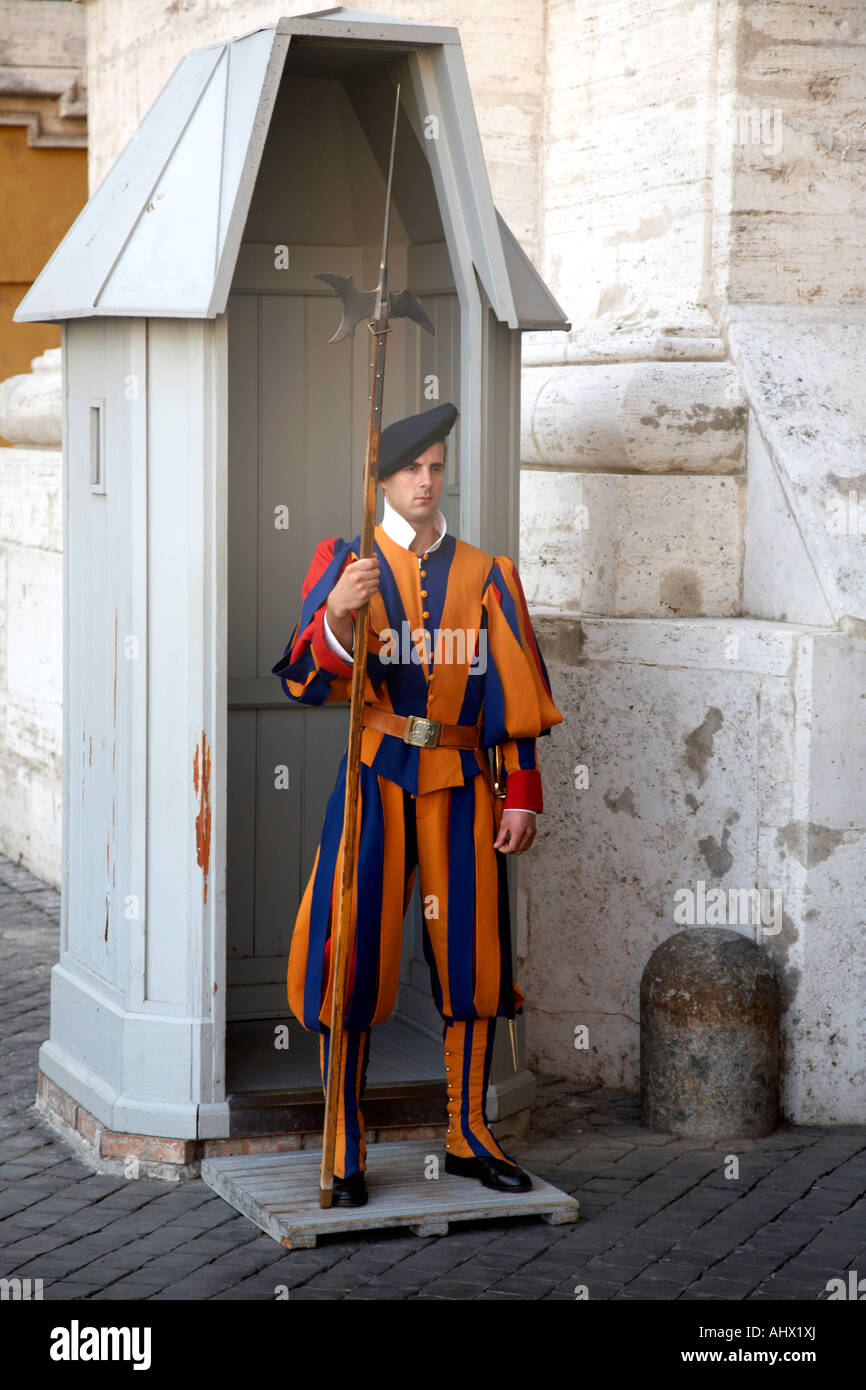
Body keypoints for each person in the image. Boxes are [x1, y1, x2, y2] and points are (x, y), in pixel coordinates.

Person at [272, 402, 563, 1206]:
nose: (427, 481)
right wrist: (337, 612)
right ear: (385, 479)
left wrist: (522, 794)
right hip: (376, 777)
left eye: (436, 467)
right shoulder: (347, 563)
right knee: (351, 949)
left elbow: (515, 693)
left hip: (466, 785)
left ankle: (468, 1133)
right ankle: (343, 1140)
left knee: (473, 959)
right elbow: (304, 683)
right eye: (411, 470)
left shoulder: (486, 573)